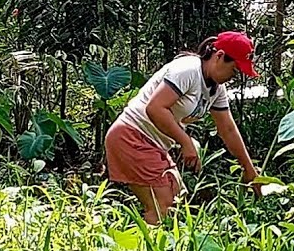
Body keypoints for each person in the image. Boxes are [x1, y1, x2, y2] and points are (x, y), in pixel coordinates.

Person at [105, 31, 262, 224]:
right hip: (132, 136)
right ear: (219, 56)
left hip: (154, 144)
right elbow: (155, 108)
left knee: (177, 202)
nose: (233, 77)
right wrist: (186, 142)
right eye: (234, 70)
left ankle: (154, 250)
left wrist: (249, 169)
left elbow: (228, 129)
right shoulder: (188, 69)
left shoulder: (216, 90)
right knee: (163, 206)